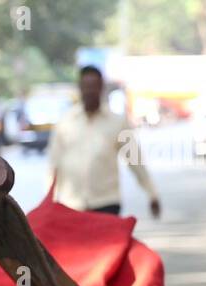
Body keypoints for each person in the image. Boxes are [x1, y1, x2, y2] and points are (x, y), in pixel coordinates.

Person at [48, 65, 160, 218]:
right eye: (86, 87)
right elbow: (54, 164)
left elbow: (135, 161)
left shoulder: (118, 122)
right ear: (80, 88)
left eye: (93, 87)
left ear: (101, 88)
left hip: (107, 203)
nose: (89, 91)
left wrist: (151, 193)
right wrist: (48, 202)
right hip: (71, 205)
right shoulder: (66, 121)